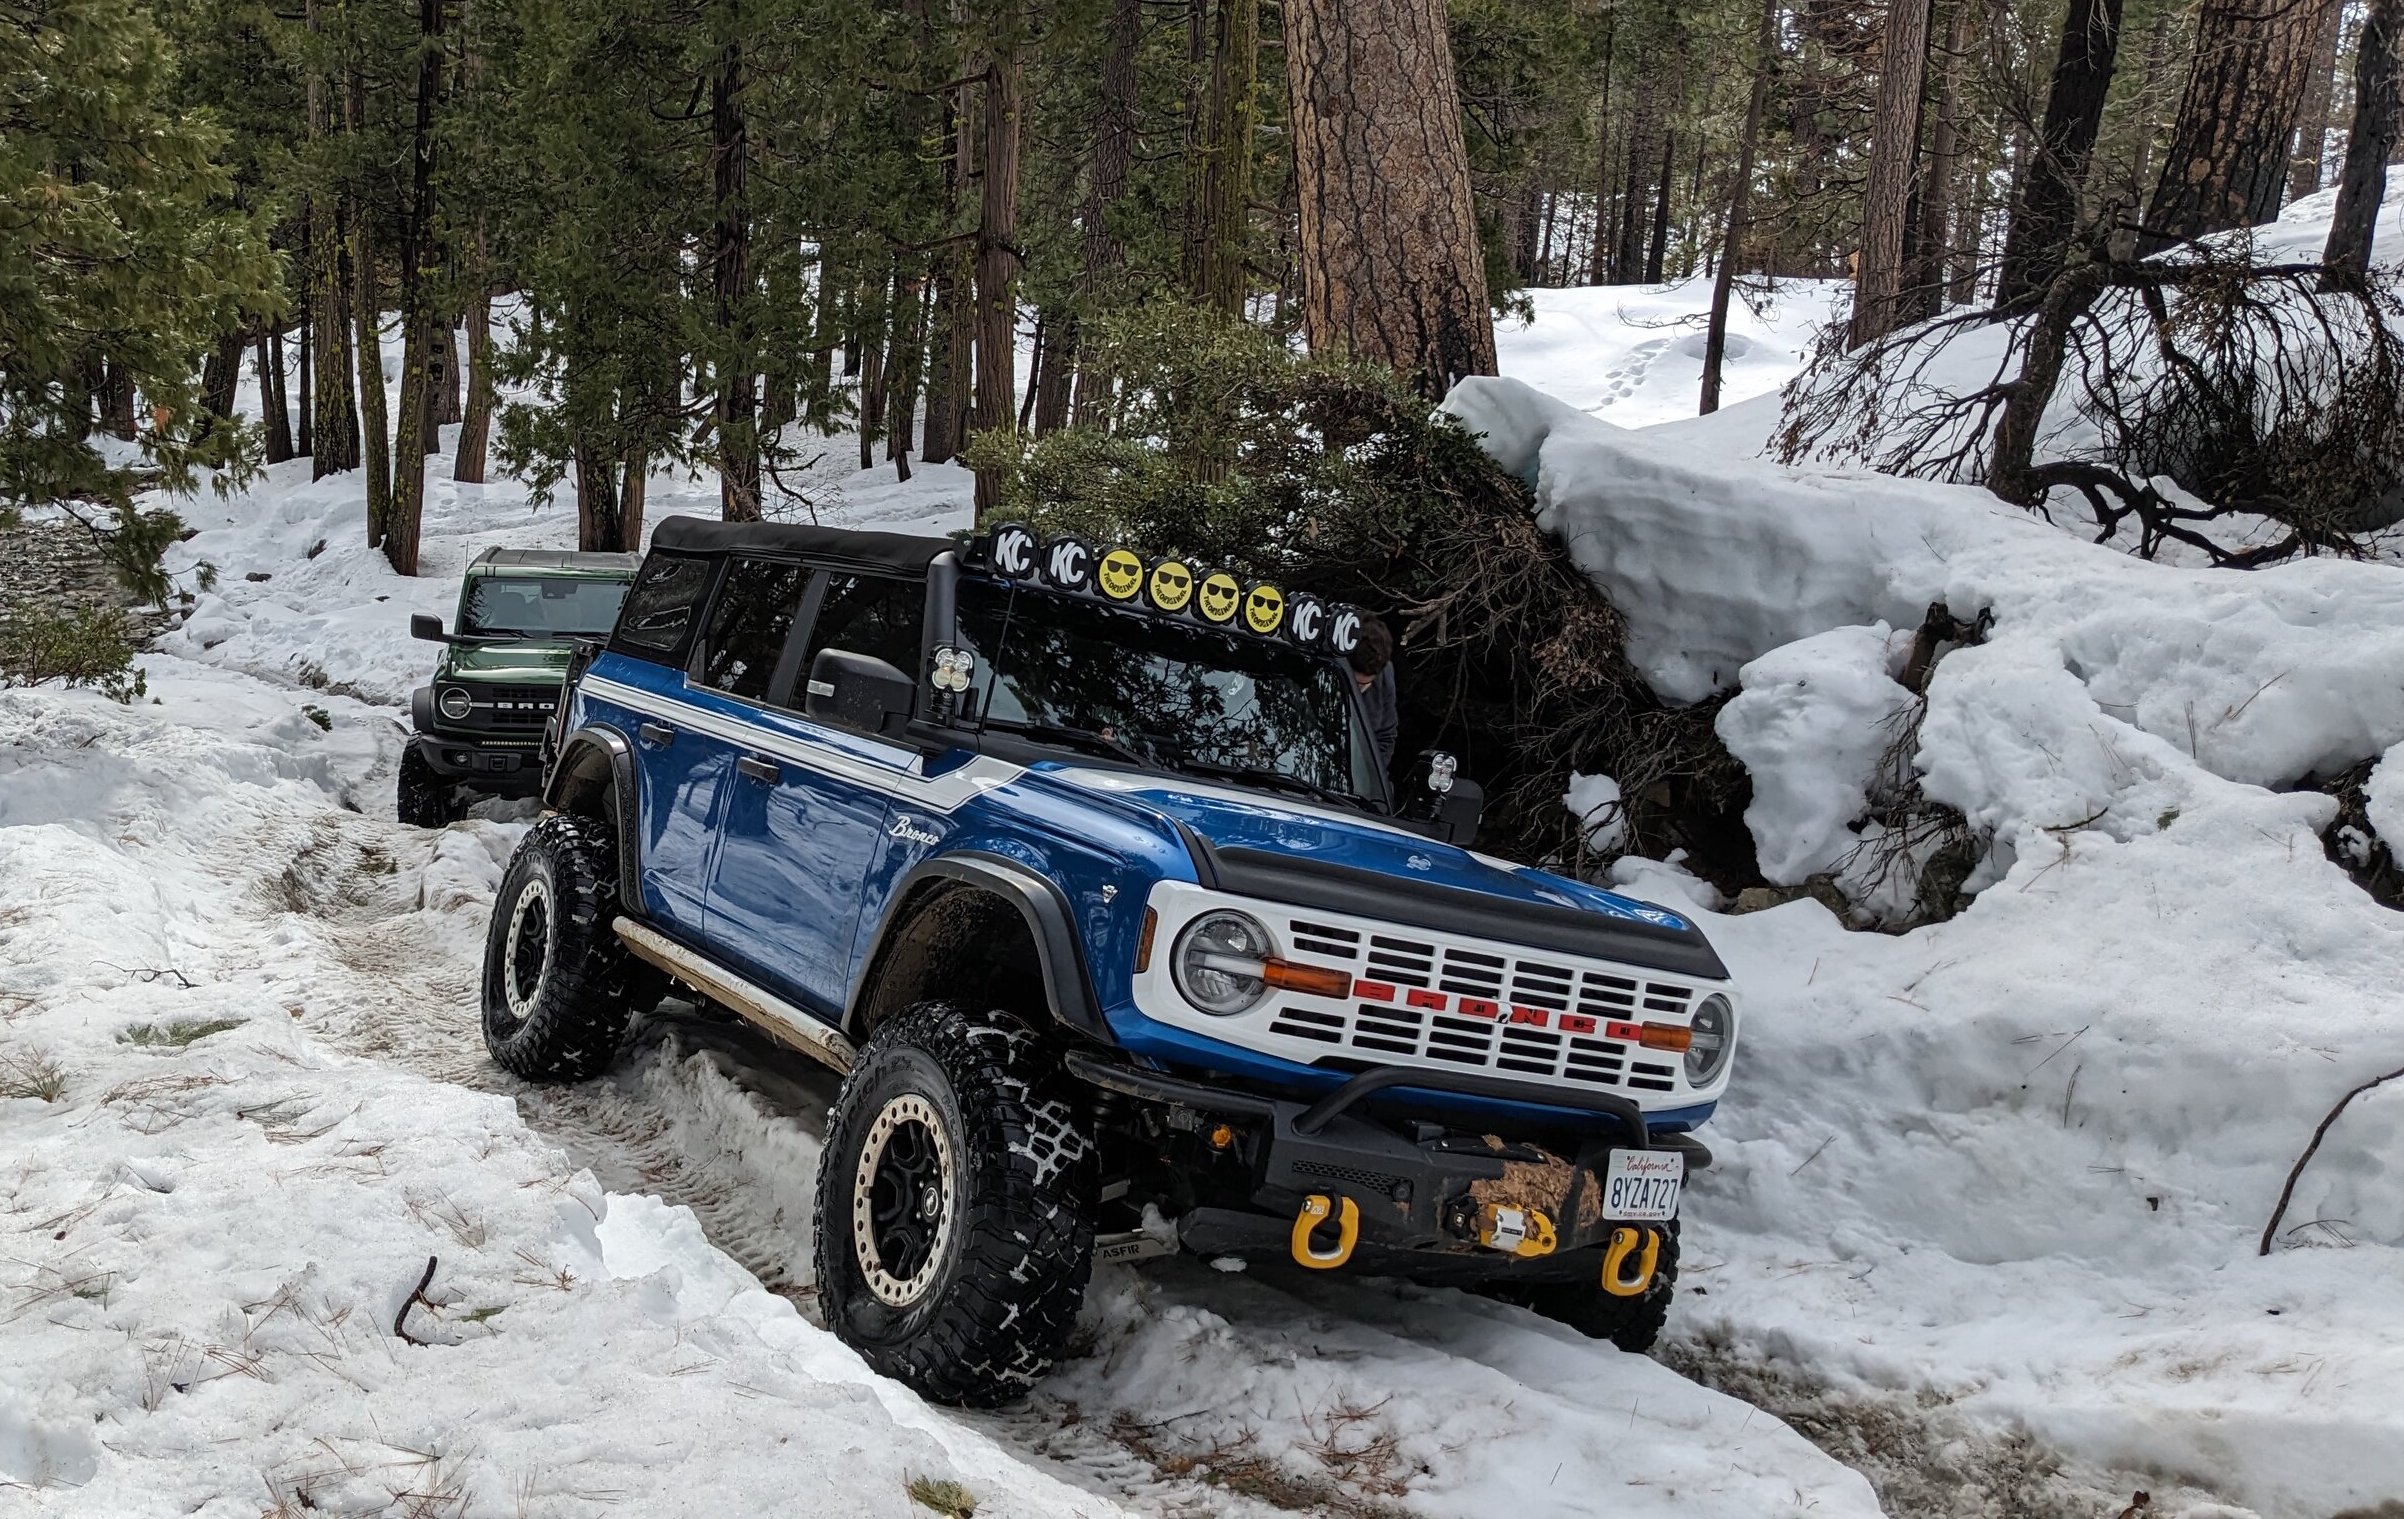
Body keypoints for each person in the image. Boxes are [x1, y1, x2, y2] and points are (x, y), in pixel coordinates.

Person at [1348, 615, 1398, 775]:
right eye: (1355, 683)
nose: (1360, 690)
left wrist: (1369, 777)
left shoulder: (1384, 676)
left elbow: (1385, 736)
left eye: (1365, 685)